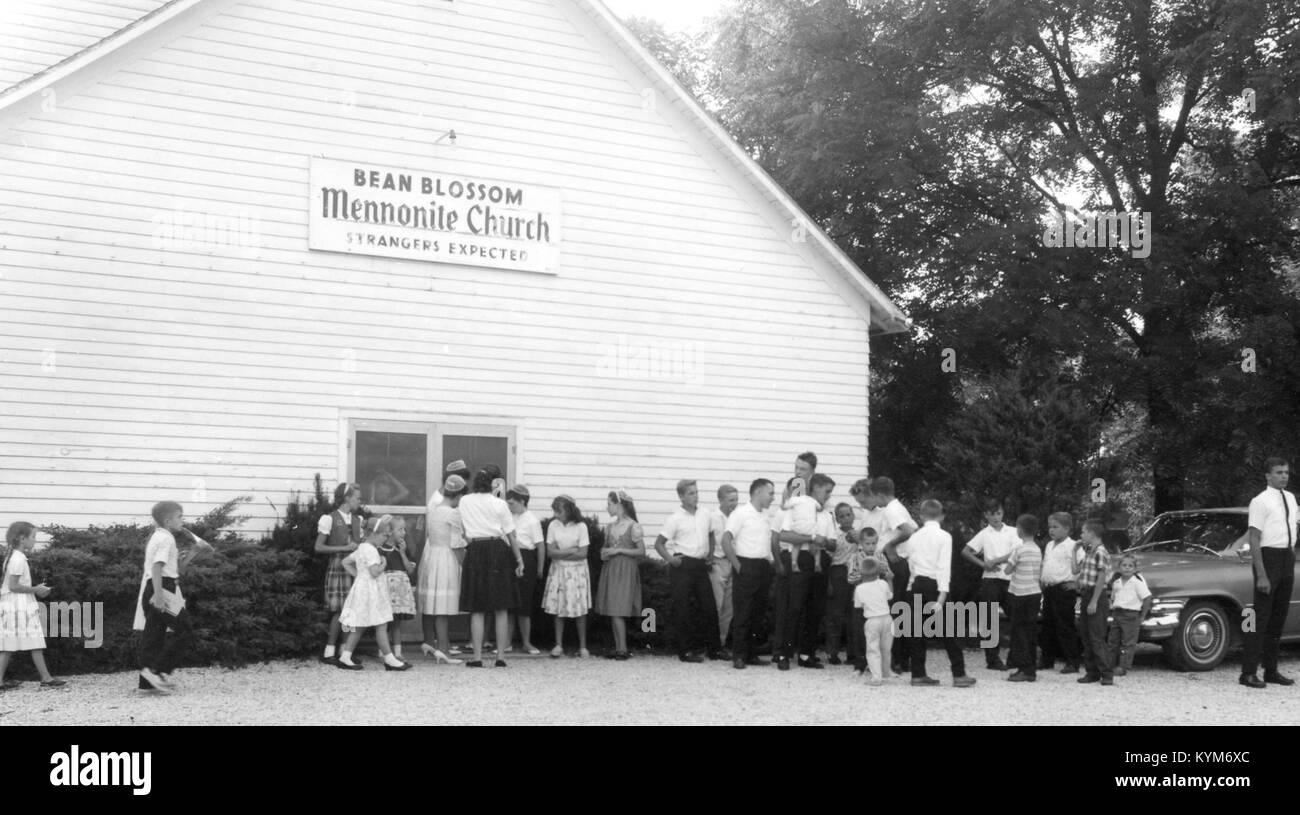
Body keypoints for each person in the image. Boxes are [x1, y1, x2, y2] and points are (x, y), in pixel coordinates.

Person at [132, 502, 213, 692]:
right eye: (180, 516)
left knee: (154, 635)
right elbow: (157, 568)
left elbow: (176, 570)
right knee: (185, 631)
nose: (182, 520)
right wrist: (159, 596)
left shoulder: (160, 537)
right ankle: (157, 672)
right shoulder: (166, 539)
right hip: (163, 589)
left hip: (157, 587)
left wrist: (194, 552)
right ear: (168, 520)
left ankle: (146, 684)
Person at [458, 470, 525, 668]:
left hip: (476, 549)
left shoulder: (465, 501)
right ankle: (500, 657)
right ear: (492, 485)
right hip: (497, 549)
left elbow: (463, 528)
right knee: (501, 607)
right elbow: (511, 535)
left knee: (477, 608)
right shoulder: (500, 504)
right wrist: (519, 559)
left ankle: (477, 657)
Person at [1241, 457, 1298, 689]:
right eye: (1278, 472)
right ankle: (1248, 672)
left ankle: (1271, 669)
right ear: (1268, 476)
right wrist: (1262, 574)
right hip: (1268, 558)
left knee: (1278, 617)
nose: (1283, 476)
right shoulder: (1260, 501)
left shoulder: (1291, 498)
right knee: (1258, 617)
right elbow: (1254, 538)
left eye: (1286, 472)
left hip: (1286, 558)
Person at [906, 499, 975, 688]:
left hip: (918, 583)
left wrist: (911, 585)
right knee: (949, 631)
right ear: (942, 516)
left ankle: (918, 674)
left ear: (920, 516)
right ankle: (959, 674)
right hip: (936, 585)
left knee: (916, 631)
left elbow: (911, 563)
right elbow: (944, 566)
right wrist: (943, 594)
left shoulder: (914, 537)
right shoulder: (944, 536)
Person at [654, 479, 723, 663]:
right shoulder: (675, 518)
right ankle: (685, 651)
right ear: (682, 496)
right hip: (682, 566)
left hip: (700, 566)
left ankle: (714, 650)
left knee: (709, 607)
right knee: (683, 608)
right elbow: (659, 543)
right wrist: (670, 559)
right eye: (691, 493)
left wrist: (710, 553)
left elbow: (710, 534)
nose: (695, 496)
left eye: (696, 492)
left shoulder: (705, 513)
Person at [774, 473, 835, 669]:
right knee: (795, 607)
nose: (828, 496)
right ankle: (785, 654)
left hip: (820, 561)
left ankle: (806, 654)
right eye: (826, 491)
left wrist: (824, 541)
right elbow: (785, 535)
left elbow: (832, 543)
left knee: (815, 609)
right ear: (815, 488)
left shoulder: (826, 514)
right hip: (800, 559)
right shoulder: (795, 510)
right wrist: (811, 538)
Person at [337, 516, 409, 671]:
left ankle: (345, 656)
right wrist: (383, 563)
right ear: (375, 533)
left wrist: (359, 576)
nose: (385, 539)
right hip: (372, 593)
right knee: (381, 624)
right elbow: (375, 572)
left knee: (360, 625)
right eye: (384, 536)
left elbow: (345, 562)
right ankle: (390, 659)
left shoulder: (362, 547)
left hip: (363, 591)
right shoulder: (371, 551)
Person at [0, 522, 65, 690]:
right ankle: (46, 678)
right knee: (27, 640)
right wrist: (36, 589)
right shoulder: (18, 559)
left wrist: (34, 589)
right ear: (23, 539)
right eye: (33, 537)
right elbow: (14, 586)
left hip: (13, 603)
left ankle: (45, 677)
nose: (35, 541)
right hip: (18, 605)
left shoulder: (14, 557)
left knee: (10, 643)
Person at [862, 477, 917, 674]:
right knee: (898, 610)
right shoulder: (898, 507)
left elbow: (908, 530)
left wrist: (889, 545)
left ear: (879, 494)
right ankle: (901, 659)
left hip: (894, 561)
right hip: (899, 560)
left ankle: (895, 659)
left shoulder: (892, 509)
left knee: (892, 610)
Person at [721, 478, 777, 669]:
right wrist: (737, 565)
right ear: (758, 492)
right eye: (770, 493)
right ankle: (738, 655)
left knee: (758, 613)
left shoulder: (764, 516)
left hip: (762, 566)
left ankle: (751, 653)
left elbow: (766, 543)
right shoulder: (741, 513)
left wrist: (771, 563)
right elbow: (726, 540)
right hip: (745, 564)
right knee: (743, 611)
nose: (772, 497)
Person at [962, 498, 1017, 671]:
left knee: (1017, 618)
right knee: (989, 621)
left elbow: (1018, 551)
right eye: (992, 514)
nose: (995, 517)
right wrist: (983, 564)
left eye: (998, 513)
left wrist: (997, 560)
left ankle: (1015, 657)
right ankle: (992, 660)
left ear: (1003, 513)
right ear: (986, 515)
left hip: (1010, 579)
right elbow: (966, 551)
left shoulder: (1013, 531)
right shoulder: (984, 533)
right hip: (991, 579)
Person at [417, 474, 467, 664]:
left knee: (432, 604)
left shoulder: (435, 509)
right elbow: (456, 543)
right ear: (457, 495)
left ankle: (430, 643)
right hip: (446, 558)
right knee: (442, 608)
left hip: (432, 557)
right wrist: (465, 564)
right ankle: (443, 649)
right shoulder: (453, 513)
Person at [315, 482, 362, 665]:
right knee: (338, 611)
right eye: (357, 497)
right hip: (337, 566)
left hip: (354, 566)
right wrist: (344, 547)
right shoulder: (330, 518)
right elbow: (318, 547)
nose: (359, 501)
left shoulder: (358, 520)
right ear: (347, 498)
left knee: (350, 610)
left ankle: (345, 651)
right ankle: (329, 651)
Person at [595, 490, 644, 660]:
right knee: (612, 609)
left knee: (617, 609)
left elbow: (641, 551)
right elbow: (604, 549)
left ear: (619, 505)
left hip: (625, 569)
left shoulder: (633, 526)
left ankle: (622, 648)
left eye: (609, 503)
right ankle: (618, 647)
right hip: (611, 568)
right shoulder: (610, 527)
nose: (607, 507)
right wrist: (605, 553)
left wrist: (619, 550)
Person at [544, 495, 593, 658]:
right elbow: (550, 552)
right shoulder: (553, 525)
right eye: (555, 511)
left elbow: (583, 553)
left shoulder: (581, 526)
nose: (556, 514)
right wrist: (571, 550)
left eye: (559, 511)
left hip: (577, 572)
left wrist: (561, 554)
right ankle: (558, 644)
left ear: (569, 510)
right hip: (559, 570)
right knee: (559, 607)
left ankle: (583, 646)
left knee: (579, 608)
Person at [1038, 512, 1081, 673]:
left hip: (1063, 589)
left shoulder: (1073, 546)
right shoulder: (1049, 545)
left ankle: (1072, 660)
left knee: (1065, 625)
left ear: (1067, 529)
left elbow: (1083, 564)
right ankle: (1047, 658)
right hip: (1049, 589)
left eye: (1056, 527)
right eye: (1050, 527)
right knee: (1047, 625)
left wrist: (1076, 582)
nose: (1051, 530)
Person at [1003, 514, 1043, 682]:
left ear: (1019, 530)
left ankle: (1023, 668)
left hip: (1020, 594)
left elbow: (1008, 570)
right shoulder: (1037, 549)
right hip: (1034, 593)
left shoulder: (1019, 549)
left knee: (1019, 632)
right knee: (1030, 631)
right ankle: (1030, 667)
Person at [1074, 519, 1113, 686]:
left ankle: (1107, 673)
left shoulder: (1101, 552)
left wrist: (1094, 601)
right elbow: (1075, 570)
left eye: (1083, 532)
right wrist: (1074, 551)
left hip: (1096, 595)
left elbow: (1102, 577)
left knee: (1097, 636)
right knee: (1086, 634)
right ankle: (1092, 671)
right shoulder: (1088, 551)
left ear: (1092, 533)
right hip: (1085, 594)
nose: (1081, 535)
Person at [506, 485, 544, 655]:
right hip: (510, 559)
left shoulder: (532, 521)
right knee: (508, 603)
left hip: (526, 558)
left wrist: (540, 568)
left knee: (524, 605)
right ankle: (506, 642)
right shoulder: (510, 517)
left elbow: (540, 546)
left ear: (522, 502)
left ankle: (526, 642)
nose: (510, 506)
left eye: (513, 503)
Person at [825, 502, 863, 666]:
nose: (846, 518)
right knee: (836, 614)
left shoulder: (860, 534)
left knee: (853, 615)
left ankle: (853, 653)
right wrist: (829, 582)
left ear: (853, 515)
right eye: (842, 516)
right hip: (838, 572)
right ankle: (832, 652)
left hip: (855, 572)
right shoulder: (834, 535)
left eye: (849, 514)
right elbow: (829, 558)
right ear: (837, 519)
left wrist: (859, 541)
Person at [379, 517, 417, 663]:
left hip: (399, 593)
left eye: (404, 529)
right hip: (386, 591)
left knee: (396, 623)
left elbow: (410, 570)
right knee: (383, 622)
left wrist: (402, 553)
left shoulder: (404, 549)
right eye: (400, 529)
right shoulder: (380, 549)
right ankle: (383, 652)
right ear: (390, 531)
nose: (403, 532)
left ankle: (398, 652)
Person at [1107, 554, 1152, 676]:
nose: (1127, 568)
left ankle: (1123, 667)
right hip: (1117, 613)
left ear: (1135, 569)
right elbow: (1113, 597)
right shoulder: (1116, 582)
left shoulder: (1137, 583)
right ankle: (1109, 665)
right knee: (1113, 640)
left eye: (1130, 566)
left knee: (1127, 643)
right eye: (1124, 565)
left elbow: (1147, 597)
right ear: (1119, 567)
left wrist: (1142, 615)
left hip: (1131, 615)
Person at [852, 558, 895, 685]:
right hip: (887, 618)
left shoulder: (859, 588)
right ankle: (886, 673)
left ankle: (876, 677)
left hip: (872, 620)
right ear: (878, 572)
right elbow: (890, 596)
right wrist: (890, 580)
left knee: (873, 649)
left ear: (861, 573)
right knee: (886, 649)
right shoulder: (883, 583)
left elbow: (858, 606)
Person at [708, 484, 740, 650]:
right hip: (718, 563)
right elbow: (708, 540)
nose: (734, 503)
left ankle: (722, 642)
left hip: (733, 563)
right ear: (720, 500)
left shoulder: (738, 517)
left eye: (736, 500)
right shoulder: (713, 518)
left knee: (730, 607)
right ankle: (713, 644)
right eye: (730, 500)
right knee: (717, 605)